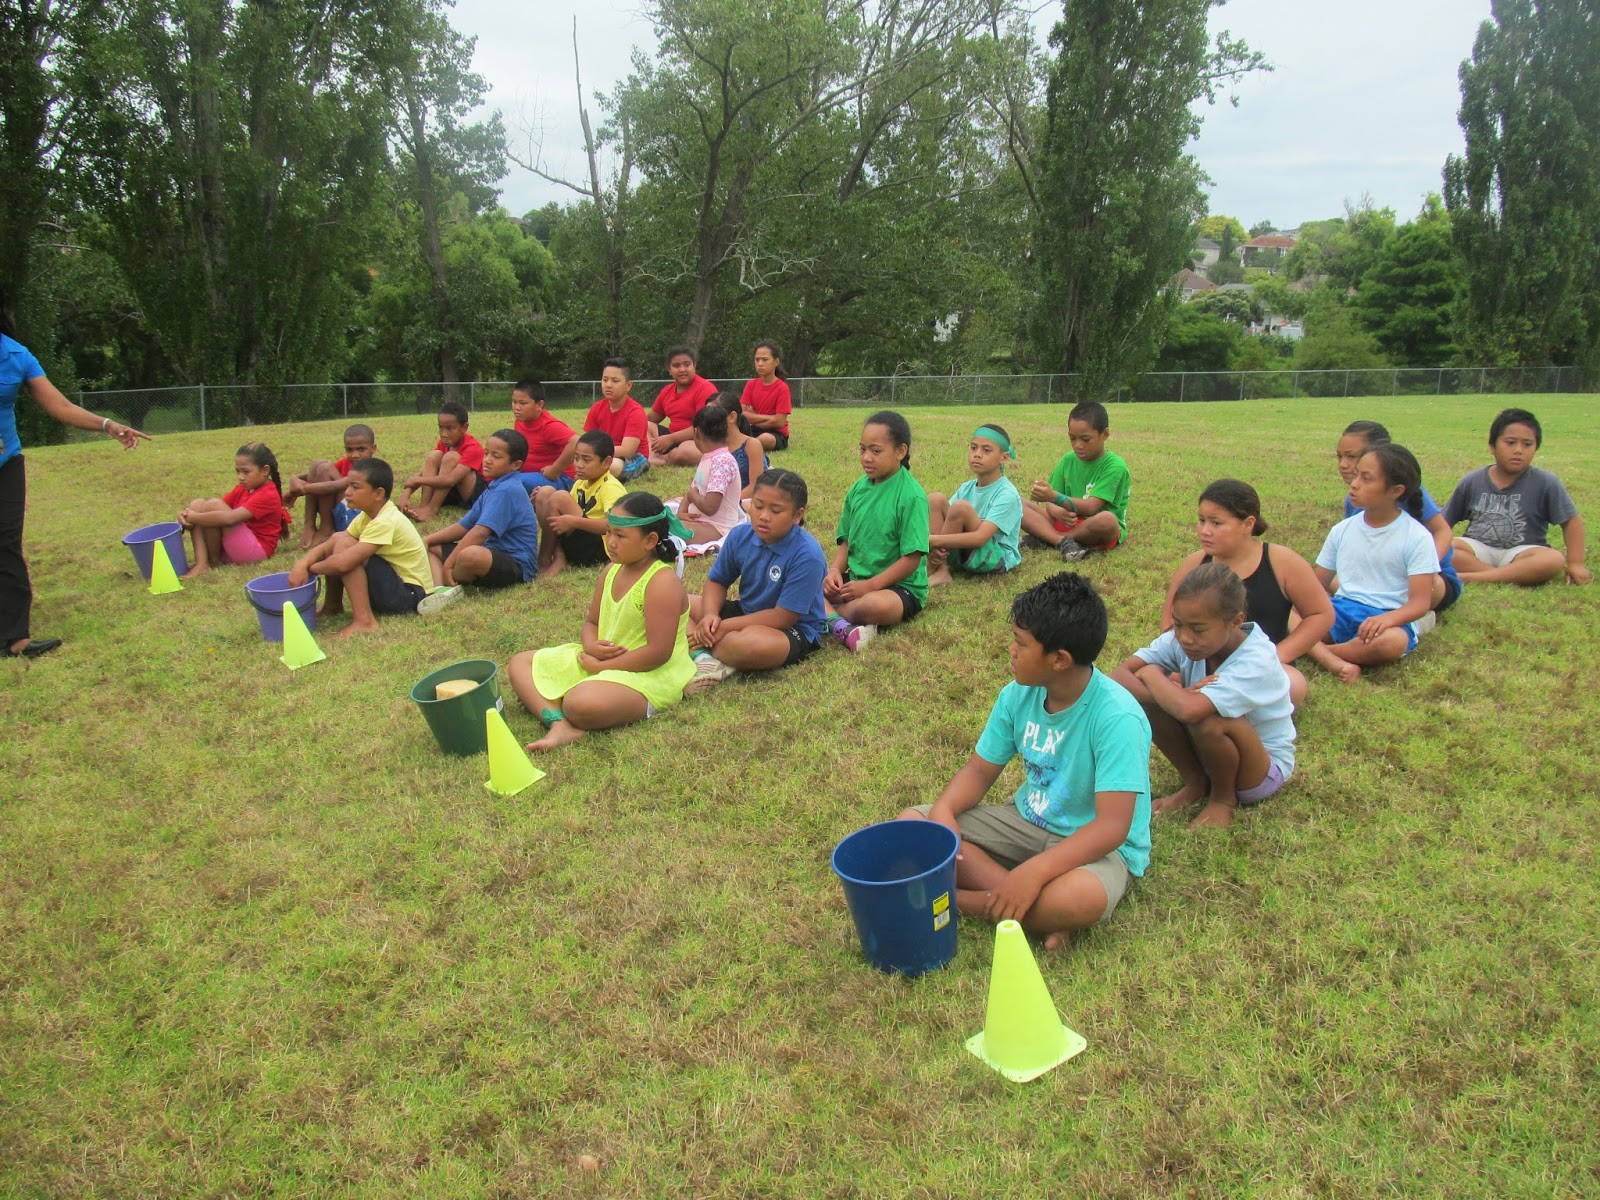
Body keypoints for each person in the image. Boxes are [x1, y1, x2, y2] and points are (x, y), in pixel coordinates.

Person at [897, 572, 1151, 950]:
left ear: (1060, 660)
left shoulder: (1117, 718)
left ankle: (962, 902)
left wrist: (1035, 872)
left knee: (1079, 897)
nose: (1011, 651)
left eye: (1021, 644)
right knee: (912, 826)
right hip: (1025, 822)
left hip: (1096, 847)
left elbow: (1111, 827)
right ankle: (1031, 910)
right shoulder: (1017, 695)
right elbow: (979, 771)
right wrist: (946, 812)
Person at [1, 292, 149, 659]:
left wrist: (107, 424)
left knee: (5, 546)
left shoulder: (15, 355)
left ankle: (16, 638)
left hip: (6, 464)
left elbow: (60, 405)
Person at [508, 492, 696, 751]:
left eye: (620, 536)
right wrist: (591, 645)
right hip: (602, 660)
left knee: (580, 703)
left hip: (648, 675)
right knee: (520, 663)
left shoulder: (662, 582)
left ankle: (565, 704)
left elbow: (658, 654)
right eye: (608, 533)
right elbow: (591, 623)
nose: (611, 542)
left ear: (650, 540)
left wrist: (599, 668)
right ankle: (558, 723)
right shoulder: (610, 570)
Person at [1114, 563, 1296, 829]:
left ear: (1235, 621)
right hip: (1209, 754)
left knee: (1208, 717)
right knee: (1149, 701)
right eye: (1177, 625)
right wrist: (1173, 694)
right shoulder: (1182, 636)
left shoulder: (1256, 659)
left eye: (1198, 629)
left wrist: (1153, 675)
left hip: (1260, 771)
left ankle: (1222, 799)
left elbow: (1190, 711)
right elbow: (1119, 677)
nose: (1185, 638)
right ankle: (1196, 782)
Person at [1160, 479, 1333, 708]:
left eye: (1216, 523)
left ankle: (1212, 701)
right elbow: (1169, 624)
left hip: (1260, 669)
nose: (1204, 531)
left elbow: (1321, 614)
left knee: (1293, 685)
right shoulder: (1195, 562)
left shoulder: (1282, 562)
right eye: (1201, 521)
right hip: (1202, 663)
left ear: (1248, 524)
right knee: (1163, 677)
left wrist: (1276, 656)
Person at [685, 469, 828, 693]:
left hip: (790, 629)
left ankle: (694, 646)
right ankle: (704, 657)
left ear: (797, 515)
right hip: (746, 612)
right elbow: (717, 581)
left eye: (776, 510)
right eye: (758, 506)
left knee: (749, 645)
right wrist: (710, 615)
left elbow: (783, 616)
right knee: (675, 603)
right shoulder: (740, 535)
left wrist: (723, 627)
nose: (763, 516)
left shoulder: (808, 555)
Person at [1309, 443, 1439, 683]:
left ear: (1396, 491)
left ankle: (1316, 652)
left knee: (1392, 643)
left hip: (1387, 619)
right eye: (1357, 474)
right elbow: (1316, 584)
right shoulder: (1343, 530)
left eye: (1366, 478)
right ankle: (1328, 654)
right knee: (1288, 611)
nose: (1354, 483)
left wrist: (1386, 620)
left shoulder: (1417, 536)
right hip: (1341, 610)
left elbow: (1420, 603)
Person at [1444, 407, 1588, 587]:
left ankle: (1471, 577)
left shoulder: (1546, 482)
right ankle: (1503, 576)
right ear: (1492, 447)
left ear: (1536, 448)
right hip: (1478, 548)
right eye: (1510, 442)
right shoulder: (1472, 481)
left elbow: (1571, 521)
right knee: (1444, 548)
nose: (1518, 450)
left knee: (1553, 559)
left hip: (1522, 552)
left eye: (1527, 444)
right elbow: (1442, 523)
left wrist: (1576, 563)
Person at [288, 457, 431, 636]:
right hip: (394, 587)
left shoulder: (385, 521)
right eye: (347, 486)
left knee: (345, 548)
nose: (347, 492)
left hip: (409, 596)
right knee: (340, 539)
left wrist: (309, 569)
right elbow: (334, 540)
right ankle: (333, 606)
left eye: (355, 487)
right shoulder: (367, 515)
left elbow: (343, 564)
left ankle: (364, 621)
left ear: (378, 494)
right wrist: (302, 562)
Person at [823, 410, 928, 652]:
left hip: (899, 588)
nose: (866, 457)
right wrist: (835, 572)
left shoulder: (911, 496)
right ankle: (833, 618)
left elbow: (911, 559)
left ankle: (826, 616)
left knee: (872, 607)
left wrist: (869, 586)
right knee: (807, 584)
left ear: (900, 452)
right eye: (862, 449)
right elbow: (846, 542)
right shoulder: (858, 489)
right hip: (855, 581)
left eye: (876, 451)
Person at [1335, 419, 1461, 611]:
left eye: (1352, 457)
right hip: (1377, 577)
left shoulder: (1409, 493)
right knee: (1336, 582)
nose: (1343, 464)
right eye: (1339, 457)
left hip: (1422, 576)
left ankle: (1410, 616)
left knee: (1432, 587)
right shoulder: (1353, 501)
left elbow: (1443, 531)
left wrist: (1426, 567)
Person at [418, 429, 542, 612]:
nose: (487, 460)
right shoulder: (494, 486)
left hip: (516, 565)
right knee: (434, 547)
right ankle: (441, 591)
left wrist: (449, 563)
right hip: (489, 552)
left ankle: (450, 576)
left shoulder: (508, 489)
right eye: (486, 453)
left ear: (515, 465)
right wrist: (427, 540)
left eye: (496, 456)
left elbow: (480, 532)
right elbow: (464, 525)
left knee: (471, 555)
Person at [1020, 400, 1130, 563]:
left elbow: (1091, 508)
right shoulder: (1067, 460)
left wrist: (1054, 497)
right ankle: (1063, 542)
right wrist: (1057, 511)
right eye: (1072, 438)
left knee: (1107, 520)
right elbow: (1051, 504)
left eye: (1085, 439)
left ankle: (1049, 539)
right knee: (1015, 501)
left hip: (1093, 528)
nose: (1078, 445)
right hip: (1066, 522)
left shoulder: (1115, 466)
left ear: (1104, 434)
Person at [925, 424, 1023, 585]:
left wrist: (933, 540)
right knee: (935, 499)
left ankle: (929, 569)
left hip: (995, 557)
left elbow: (980, 538)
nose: (977, 455)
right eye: (973, 448)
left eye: (986, 450)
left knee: (960, 508)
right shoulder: (967, 487)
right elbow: (948, 522)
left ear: (1003, 458)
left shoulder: (1007, 494)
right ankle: (940, 568)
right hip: (963, 550)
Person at [177, 441, 290, 577]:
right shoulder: (244, 488)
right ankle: (202, 562)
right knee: (198, 504)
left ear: (265, 470)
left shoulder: (268, 494)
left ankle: (209, 562)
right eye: (238, 471)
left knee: (211, 505)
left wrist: (192, 517)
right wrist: (187, 513)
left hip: (255, 551)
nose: (240, 477)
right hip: (237, 544)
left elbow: (229, 518)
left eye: (246, 472)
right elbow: (214, 510)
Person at [535, 431, 626, 577]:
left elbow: (615, 526)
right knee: (545, 493)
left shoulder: (611, 487)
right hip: (578, 540)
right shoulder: (580, 483)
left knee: (559, 497)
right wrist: (540, 501)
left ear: (606, 462)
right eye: (576, 458)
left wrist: (574, 522)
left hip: (599, 549)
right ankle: (559, 556)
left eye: (586, 460)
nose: (579, 465)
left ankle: (544, 561)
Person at [284, 423, 376, 548]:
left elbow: (336, 485)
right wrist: (294, 479)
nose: (355, 455)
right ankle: (309, 526)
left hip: (358, 520)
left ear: (373, 448)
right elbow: (315, 473)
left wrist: (303, 489)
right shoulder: (346, 463)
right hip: (344, 512)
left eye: (361, 449)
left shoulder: (371, 469)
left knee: (324, 469)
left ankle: (326, 530)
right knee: (318, 465)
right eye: (349, 449)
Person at [670, 404, 746, 545]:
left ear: (696, 432)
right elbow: (694, 490)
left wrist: (693, 496)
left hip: (717, 528)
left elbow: (710, 507)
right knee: (660, 521)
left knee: (664, 529)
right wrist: (682, 511)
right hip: (700, 521)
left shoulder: (722, 461)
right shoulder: (708, 457)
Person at [400, 401, 485, 521]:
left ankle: (432, 509)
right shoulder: (444, 443)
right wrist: (406, 494)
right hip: (451, 492)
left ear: (464, 427)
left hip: (473, 496)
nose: (443, 434)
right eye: (441, 428)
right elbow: (424, 470)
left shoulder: (473, 447)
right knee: (434, 455)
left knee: (451, 457)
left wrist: (417, 480)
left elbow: (450, 480)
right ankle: (424, 505)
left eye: (450, 428)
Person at [648, 345, 718, 467]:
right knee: (644, 425)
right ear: (669, 369)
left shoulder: (705, 388)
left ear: (694, 366)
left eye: (687, 365)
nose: (682, 369)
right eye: (676, 366)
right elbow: (650, 419)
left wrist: (671, 439)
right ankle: (652, 456)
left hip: (699, 440)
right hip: (671, 438)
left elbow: (703, 427)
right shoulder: (666, 391)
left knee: (684, 452)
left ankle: (663, 458)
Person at [584, 358, 651, 481]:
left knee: (611, 466)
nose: (608, 385)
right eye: (605, 380)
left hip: (633, 458)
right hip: (602, 454)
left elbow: (627, 451)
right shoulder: (597, 408)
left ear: (628, 385)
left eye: (615, 381)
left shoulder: (635, 411)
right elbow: (589, 440)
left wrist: (595, 453)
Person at [510, 379, 578, 495]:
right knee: (497, 479)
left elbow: (576, 442)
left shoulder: (549, 426)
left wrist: (555, 469)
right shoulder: (520, 422)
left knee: (512, 483)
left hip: (560, 479)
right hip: (529, 475)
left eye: (523, 403)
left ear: (539, 405)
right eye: (514, 402)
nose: (517, 407)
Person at [713, 391, 768, 501]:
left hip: (744, 502)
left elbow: (755, 487)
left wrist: (728, 505)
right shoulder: (713, 445)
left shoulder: (751, 445)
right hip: (717, 504)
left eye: (713, 415)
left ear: (732, 417)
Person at [739, 339, 792, 452]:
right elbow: (742, 415)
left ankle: (748, 447)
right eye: (757, 360)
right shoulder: (751, 385)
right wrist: (770, 418)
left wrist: (754, 418)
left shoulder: (782, 388)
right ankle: (749, 446)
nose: (760, 364)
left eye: (765, 360)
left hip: (776, 434)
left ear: (776, 362)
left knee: (765, 439)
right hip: (752, 430)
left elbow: (779, 422)